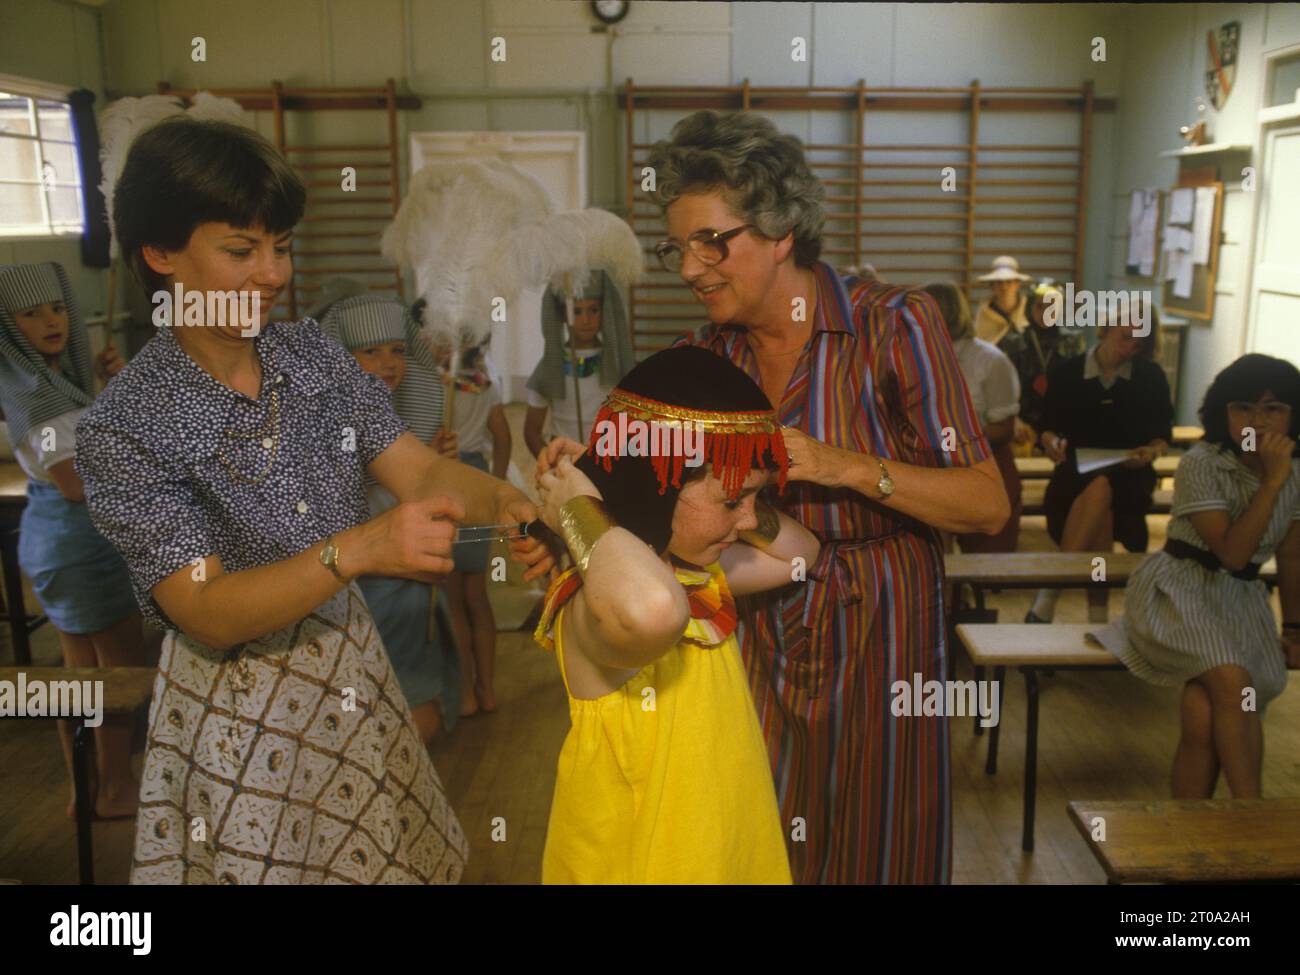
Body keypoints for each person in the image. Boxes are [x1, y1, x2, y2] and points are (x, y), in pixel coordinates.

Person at [76, 116, 552, 884]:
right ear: (160, 253)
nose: (273, 273)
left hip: (349, 673)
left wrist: (515, 499)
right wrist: (361, 548)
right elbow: (205, 608)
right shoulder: (127, 424)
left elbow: (421, 474)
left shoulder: (310, 355)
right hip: (239, 709)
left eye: (283, 245)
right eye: (242, 250)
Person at [647, 109, 1009, 884]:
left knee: (881, 845)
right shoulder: (701, 357)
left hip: (882, 628)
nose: (689, 267)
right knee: (759, 840)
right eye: (677, 246)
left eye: (713, 241)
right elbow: (643, 499)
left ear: (781, 231)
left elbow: (985, 503)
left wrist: (840, 465)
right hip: (751, 630)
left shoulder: (893, 326)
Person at [532, 345, 819, 883]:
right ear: (655, 486)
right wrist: (579, 504)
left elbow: (802, 555)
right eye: (733, 502)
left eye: (755, 500)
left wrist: (740, 494)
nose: (749, 518)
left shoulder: (697, 572)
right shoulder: (596, 608)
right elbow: (653, 609)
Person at [1093, 355, 1300, 798]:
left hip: (1240, 601)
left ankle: (1188, 847)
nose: (1256, 423)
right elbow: (1231, 553)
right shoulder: (1202, 464)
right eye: (1242, 407)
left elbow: (1292, 554)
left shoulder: (1295, 472)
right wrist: (1272, 483)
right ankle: (1251, 815)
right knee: (1231, 681)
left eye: (1273, 410)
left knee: (1206, 713)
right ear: (1223, 411)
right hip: (1178, 592)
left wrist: (1295, 629)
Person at [0, 261, 146, 820]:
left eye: (57, 308)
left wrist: (109, 388)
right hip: (78, 541)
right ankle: (115, 789)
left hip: (55, 538)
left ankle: (85, 793)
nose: (50, 321)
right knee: (117, 672)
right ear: (9, 327)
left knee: (79, 674)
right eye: (30, 314)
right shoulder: (45, 398)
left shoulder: (47, 383)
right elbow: (79, 484)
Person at [319, 293, 463, 742]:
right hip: (357, 588)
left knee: (417, 709)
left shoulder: (410, 418)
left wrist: (436, 470)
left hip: (409, 586)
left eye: (398, 350)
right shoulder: (320, 422)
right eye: (371, 351)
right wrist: (416, 473)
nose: (388, 363)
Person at [1029, 306, 1173, 624]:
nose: (1130, 347)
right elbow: (1046, 427)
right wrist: (1051, 442)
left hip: (1130, 474)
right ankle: (1097, 615)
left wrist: (1150, 453)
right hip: (1077, 468)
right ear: (1106, 328)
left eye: (1138, 343)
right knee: (1099, 506)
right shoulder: (1068, 371)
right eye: (1125, 337)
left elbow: (1163, 437)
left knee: (1101, 489)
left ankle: (1050, 594)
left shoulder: (1150, 377)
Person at [922, 280, 1021, 552]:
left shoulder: (990, 360)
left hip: (980, 463)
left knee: (983, 557)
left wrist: (953, 441)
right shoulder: (911, 355)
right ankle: (945, 593)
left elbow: (1005, 428)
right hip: (926, 465)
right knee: (929, 549)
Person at [442, 340, 510, 716]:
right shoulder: (488, 382)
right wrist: (495, 487)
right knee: (477, 594)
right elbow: (503, 436)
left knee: (453, 598)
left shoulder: (438, 382)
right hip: (477, 479)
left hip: (448, 477)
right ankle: (487, 690)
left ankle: (466, 694)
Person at [524, 270, 634, 456]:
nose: (586, 320)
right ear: (562, 315)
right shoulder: (549, 368)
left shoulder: (617, 366)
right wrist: (549, 463)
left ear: (604, 312)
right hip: (564, 463)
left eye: (593, 310)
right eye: (576, 311)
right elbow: (531, 432)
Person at [1000, 280, 1086, 457]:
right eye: (1040, 306)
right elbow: (1002, 390)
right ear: (1030, 307)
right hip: (1023, 423)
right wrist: (1014, 420)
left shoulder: (1073, 342)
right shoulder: (1013, 342)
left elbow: (1081, 390)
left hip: (1061, 423)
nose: (1047, 312)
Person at [972, 255, 1030, 346]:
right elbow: (979, 343)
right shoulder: (984, 312)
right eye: (999, 282)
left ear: (1017, 284)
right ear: (992, 286)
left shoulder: (1029, 307)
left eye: (1009, 282)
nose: (1004, 287)